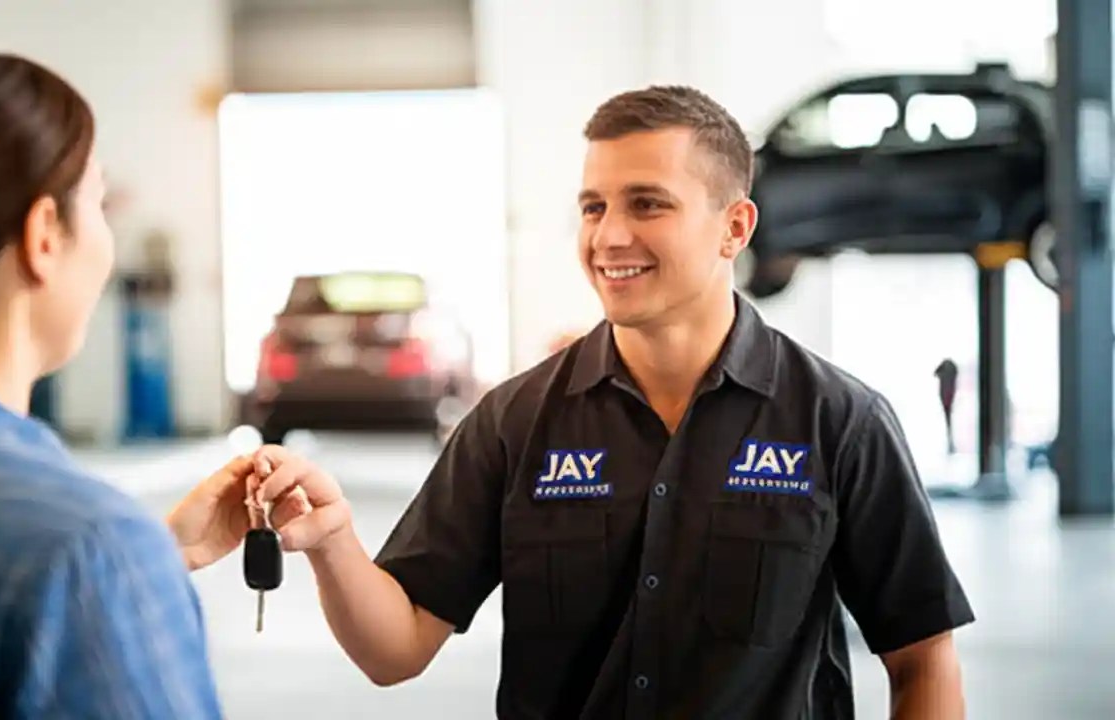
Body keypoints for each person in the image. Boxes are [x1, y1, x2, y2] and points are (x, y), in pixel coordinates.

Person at [250, 85, 975, 718]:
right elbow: (396, 649)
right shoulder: (513, 424)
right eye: (593, 206)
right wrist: (334, 543)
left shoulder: (839, 422)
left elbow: (923, 663)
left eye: (647, 204)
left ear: (735, 228)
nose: (608, 235)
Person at [0, 44, 255, 718]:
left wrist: (146, 568)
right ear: (44, 235)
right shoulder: (84, 554)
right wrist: (117, 578)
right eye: (98, 201)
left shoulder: (84, 559)